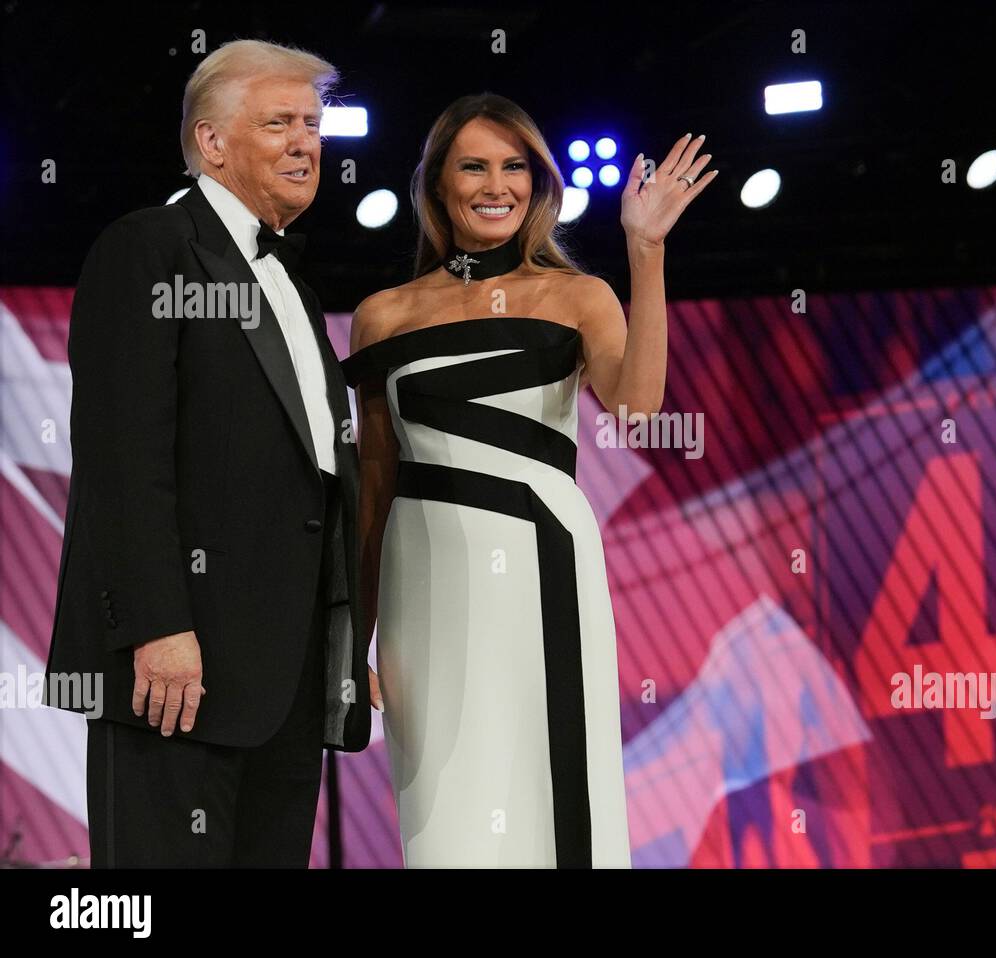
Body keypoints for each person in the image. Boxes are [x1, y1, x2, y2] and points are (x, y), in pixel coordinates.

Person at [342, 93, 717, 867]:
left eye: (515, 167)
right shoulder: (384, 315)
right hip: (426, 591)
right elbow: (373, 491)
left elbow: (638, 409)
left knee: (555, 804)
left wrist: (646, 252)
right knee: (446, 820)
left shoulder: (578, 296)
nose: (496, 184)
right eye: (473, 165)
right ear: (438, 185)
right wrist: (353, 641)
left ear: (538, 184)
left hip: (545, 572)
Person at [43, 39, 374, 868]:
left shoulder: (292, 278)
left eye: (312, 122)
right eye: (278, 122)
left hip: (288, 678)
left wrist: (342, 645)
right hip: (177, 671)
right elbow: (122, 455)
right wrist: (157, 624)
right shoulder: (147, 246)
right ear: (213, 141)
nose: (307, 141)